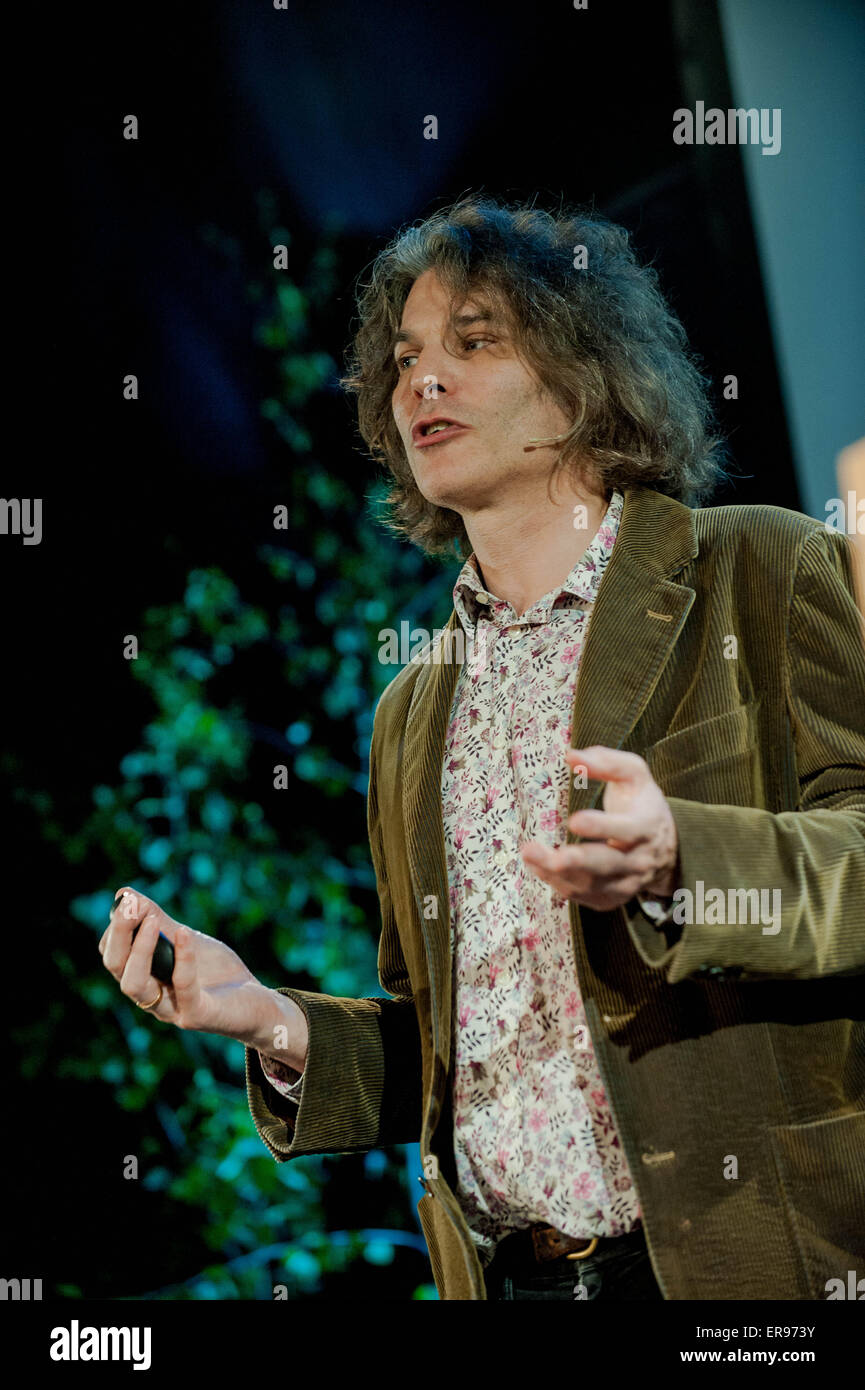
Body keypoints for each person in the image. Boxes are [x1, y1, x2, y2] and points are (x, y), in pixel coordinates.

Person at [99, 196, 865, 1302]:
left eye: (473, 342)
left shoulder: (763, 567)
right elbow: (460, 1052)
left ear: (582, 373)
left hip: (745, 1264)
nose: (421, 383)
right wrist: (265, 1012)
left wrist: (687, 863)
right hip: (507, 1278)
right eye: (404, 359)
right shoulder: (411, 713)